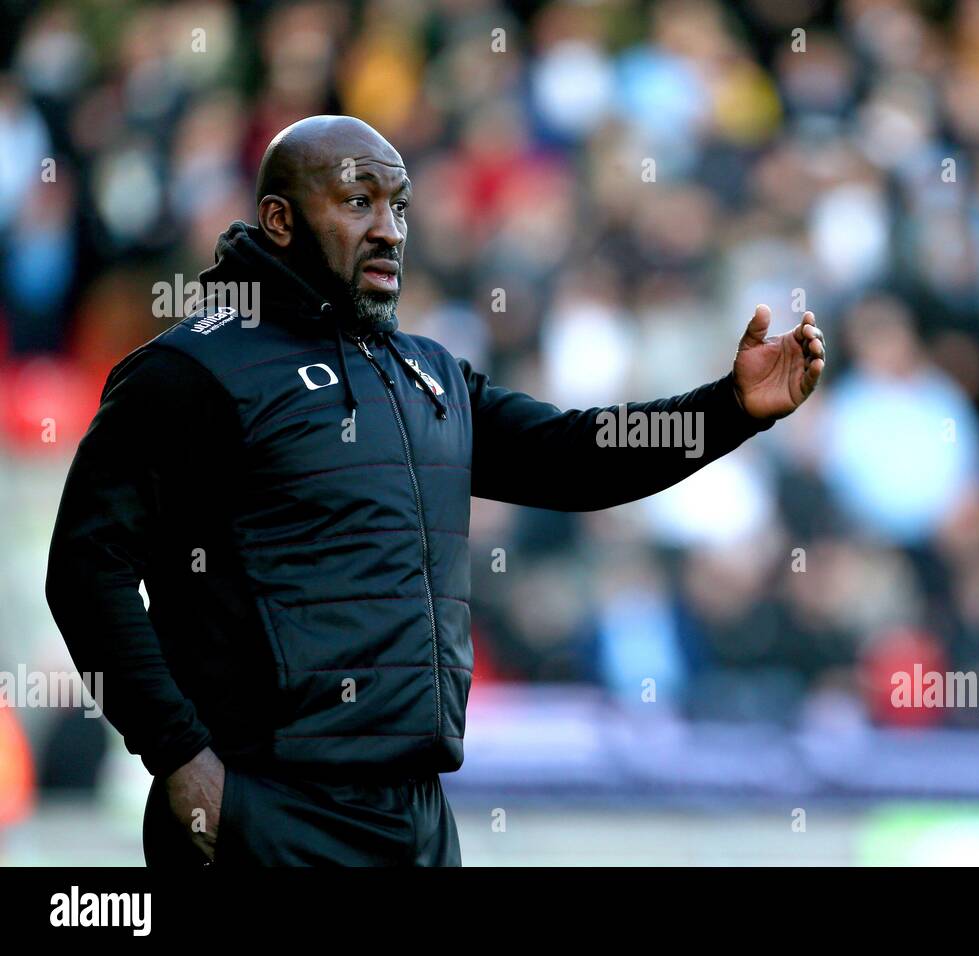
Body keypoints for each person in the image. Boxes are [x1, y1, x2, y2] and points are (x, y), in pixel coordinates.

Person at [44, 115, 825, 866]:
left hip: (414, 815)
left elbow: (574, 457)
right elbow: (85, 572)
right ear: (279, 219)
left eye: (400, 205)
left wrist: (726, 410)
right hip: (264, 805)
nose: (389, 228)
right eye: (358, 202)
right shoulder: (191, 372)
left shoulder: (425, 372)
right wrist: (180, 758)